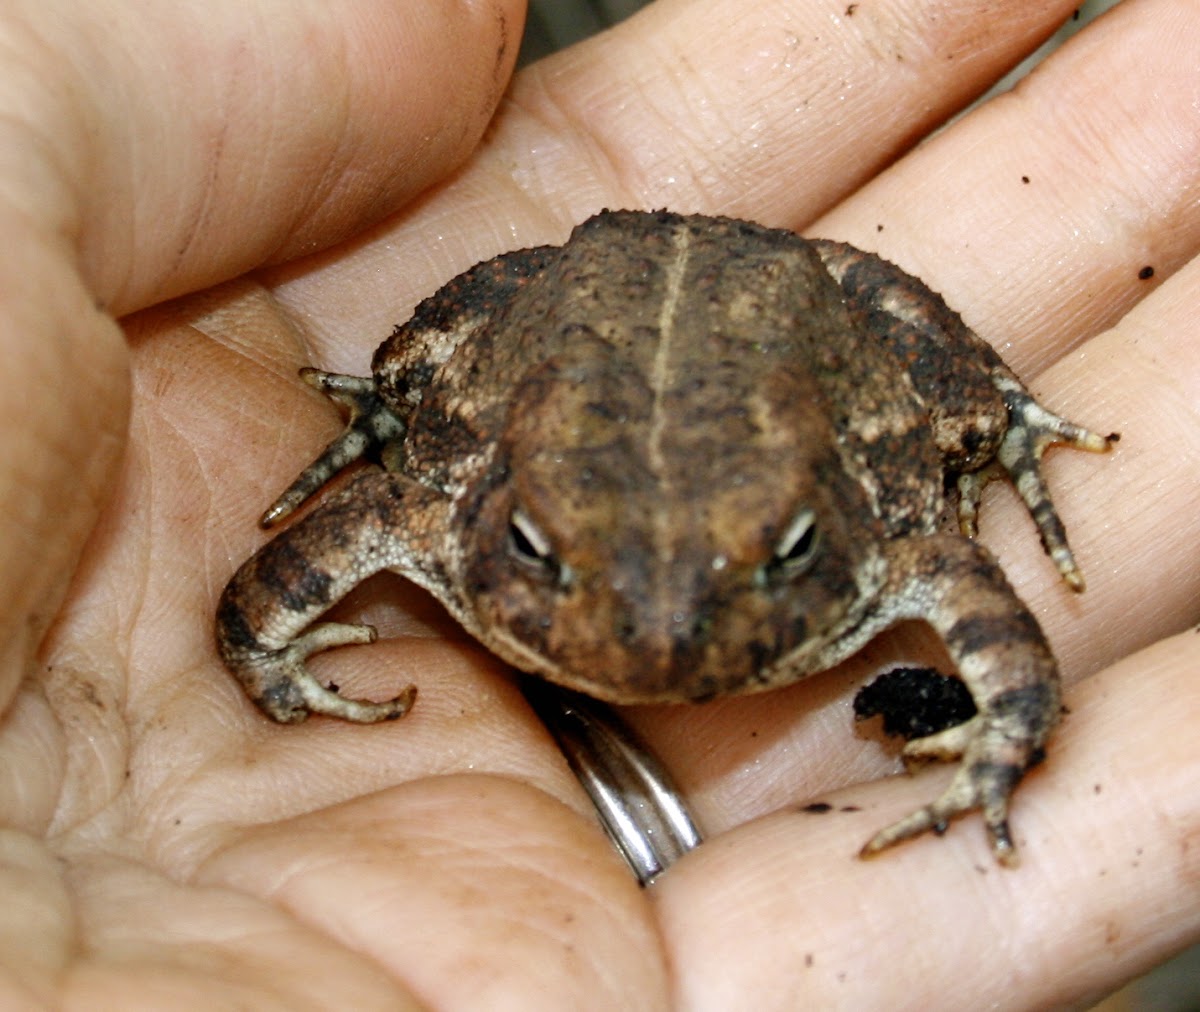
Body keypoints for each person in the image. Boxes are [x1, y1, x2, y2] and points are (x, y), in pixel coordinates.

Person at [1, 1, 1195, 1006]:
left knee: (965, 407)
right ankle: (394, 407)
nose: (658, 628)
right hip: (579, 304)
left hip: (791, 317)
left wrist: (1001, 743)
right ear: (502, 518)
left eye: (779, 554)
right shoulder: (429, 512)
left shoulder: (885, 548)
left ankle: (1000, 421)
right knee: (416, 376)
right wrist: (262, 654)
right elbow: (277, 586)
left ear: (813, 528)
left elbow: (984, 622)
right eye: (540, 552)